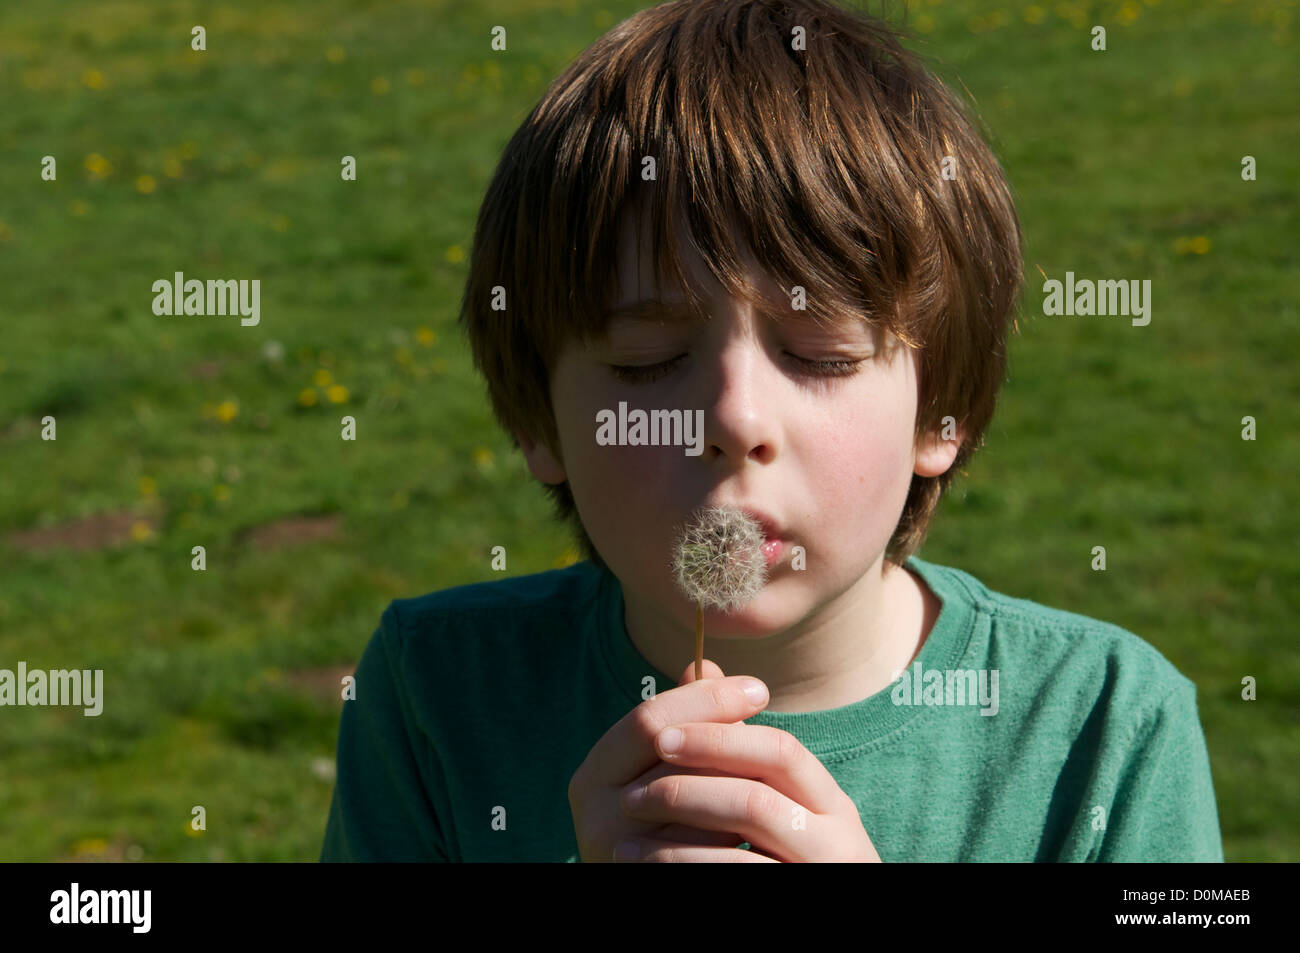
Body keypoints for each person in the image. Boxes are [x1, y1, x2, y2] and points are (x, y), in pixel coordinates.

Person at [321, 0, 1222, 862]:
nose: (734, 417)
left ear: (939, 407)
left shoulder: (1104, 724)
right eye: (644, 361)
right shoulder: (437, 690)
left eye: (822, 353)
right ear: (540, 420)